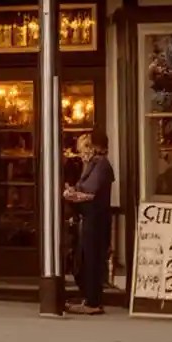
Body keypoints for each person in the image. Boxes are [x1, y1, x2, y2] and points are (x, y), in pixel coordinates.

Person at [63, 131, 116, 316]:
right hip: (88, 218)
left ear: (93, 147)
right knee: (83, 260)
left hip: (96, 219)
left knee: (92, 259)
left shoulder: (100, 165)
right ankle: (88, 298)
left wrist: (72, 196)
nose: (81, 153)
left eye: (84, 148)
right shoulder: (91, 165)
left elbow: (90, 193)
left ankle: (93, 302)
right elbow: (82, 187)